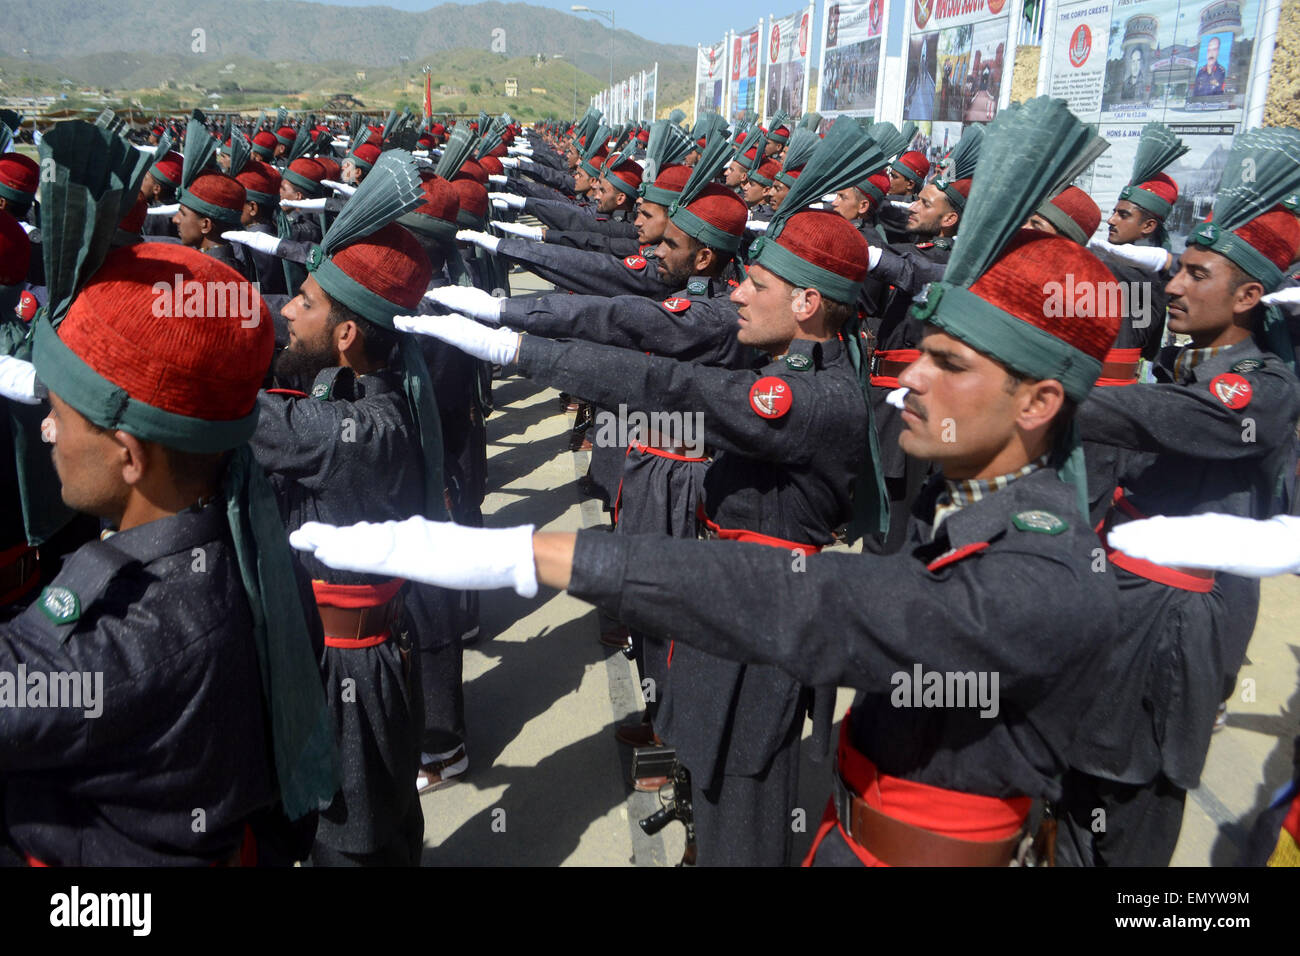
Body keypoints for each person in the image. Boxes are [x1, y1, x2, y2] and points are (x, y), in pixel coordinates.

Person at [292, 96, 1127, 869]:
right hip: (772, 670)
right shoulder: (980, 502)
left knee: (743, 811)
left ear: (1041, 401)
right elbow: (630, 320)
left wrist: (541, 554)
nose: (909, 382)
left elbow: (810, 597)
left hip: (778, 661)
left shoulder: (1027, 558)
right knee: (701, 755)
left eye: (947, 364)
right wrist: (516, 326)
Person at [0, 121, 336, 865]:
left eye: (59, 411)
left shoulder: (113, 648)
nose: (47, 430)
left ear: (129, 454)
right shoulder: (250, 551)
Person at [1059, 127, 1300, 866]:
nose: (1171, 285)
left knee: (1131, 824)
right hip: (1119, 614)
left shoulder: (1259, 388)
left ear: (1250, 296)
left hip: (1170, 640)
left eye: (1197, 274)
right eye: (1179, 270)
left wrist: (1038, 388)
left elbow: (1155, 417)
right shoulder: (1194, 366)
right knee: (1076, 806)